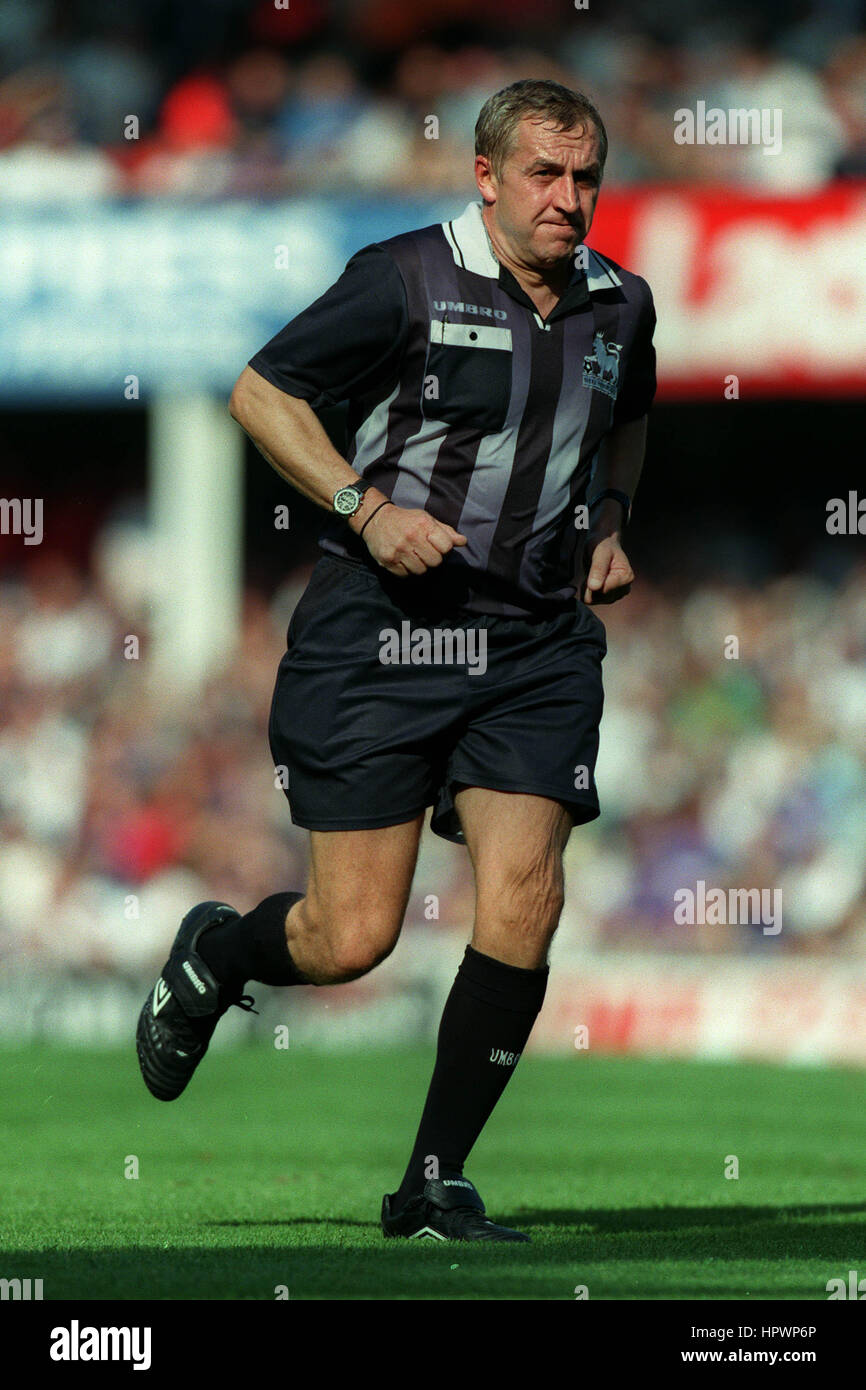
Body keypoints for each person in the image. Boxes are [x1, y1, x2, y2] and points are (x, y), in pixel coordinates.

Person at [136, 78, 657, 1243]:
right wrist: (363, 509)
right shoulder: (402, 277)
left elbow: (627, 411)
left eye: (585, 178)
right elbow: (260, 393)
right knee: (351, 936)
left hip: (533, 638)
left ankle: (434, 1178)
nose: (568, 200)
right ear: (484, 176)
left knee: (526, 894)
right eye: (543, 175)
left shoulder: (619, 304)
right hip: (381, 629)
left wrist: (611, 515)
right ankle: (219, 951)